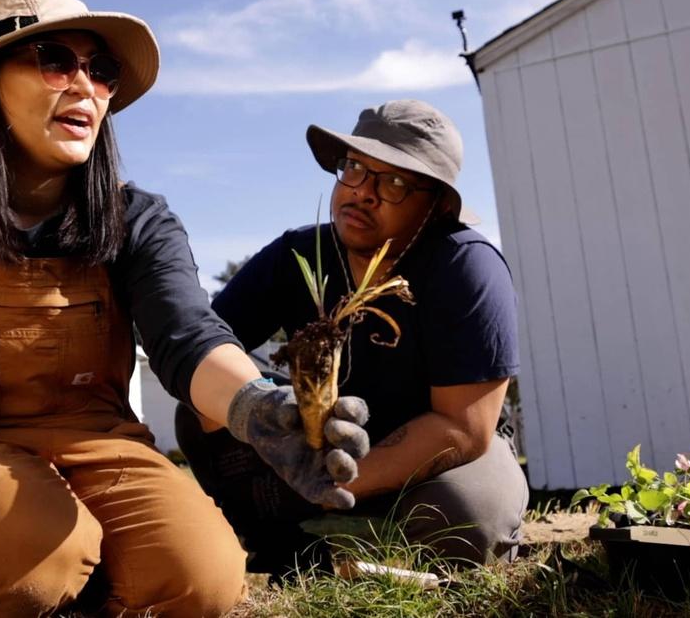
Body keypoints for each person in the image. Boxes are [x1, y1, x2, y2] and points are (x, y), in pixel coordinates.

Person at [0, 0, 369, 616]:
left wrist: (255, 407)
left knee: (204, 575)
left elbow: (188, 336)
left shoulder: (138, 218)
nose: (85, 84)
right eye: (55, 59)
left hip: (102, 443)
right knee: (31, 556)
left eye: (101, 70)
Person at [176, 99, 529, 577]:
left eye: (396, 181)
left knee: (467, 511)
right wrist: (265, 421)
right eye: (355, 168)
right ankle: (282, 544)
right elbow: (203, 350)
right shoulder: (297, 255)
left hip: (439, 451)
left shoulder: (465, 266)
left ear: (437, 205)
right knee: (204, 409)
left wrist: (327, 484)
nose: (363, 192)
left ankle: (356, 528)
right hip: (323, 436)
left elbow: (463, 428)